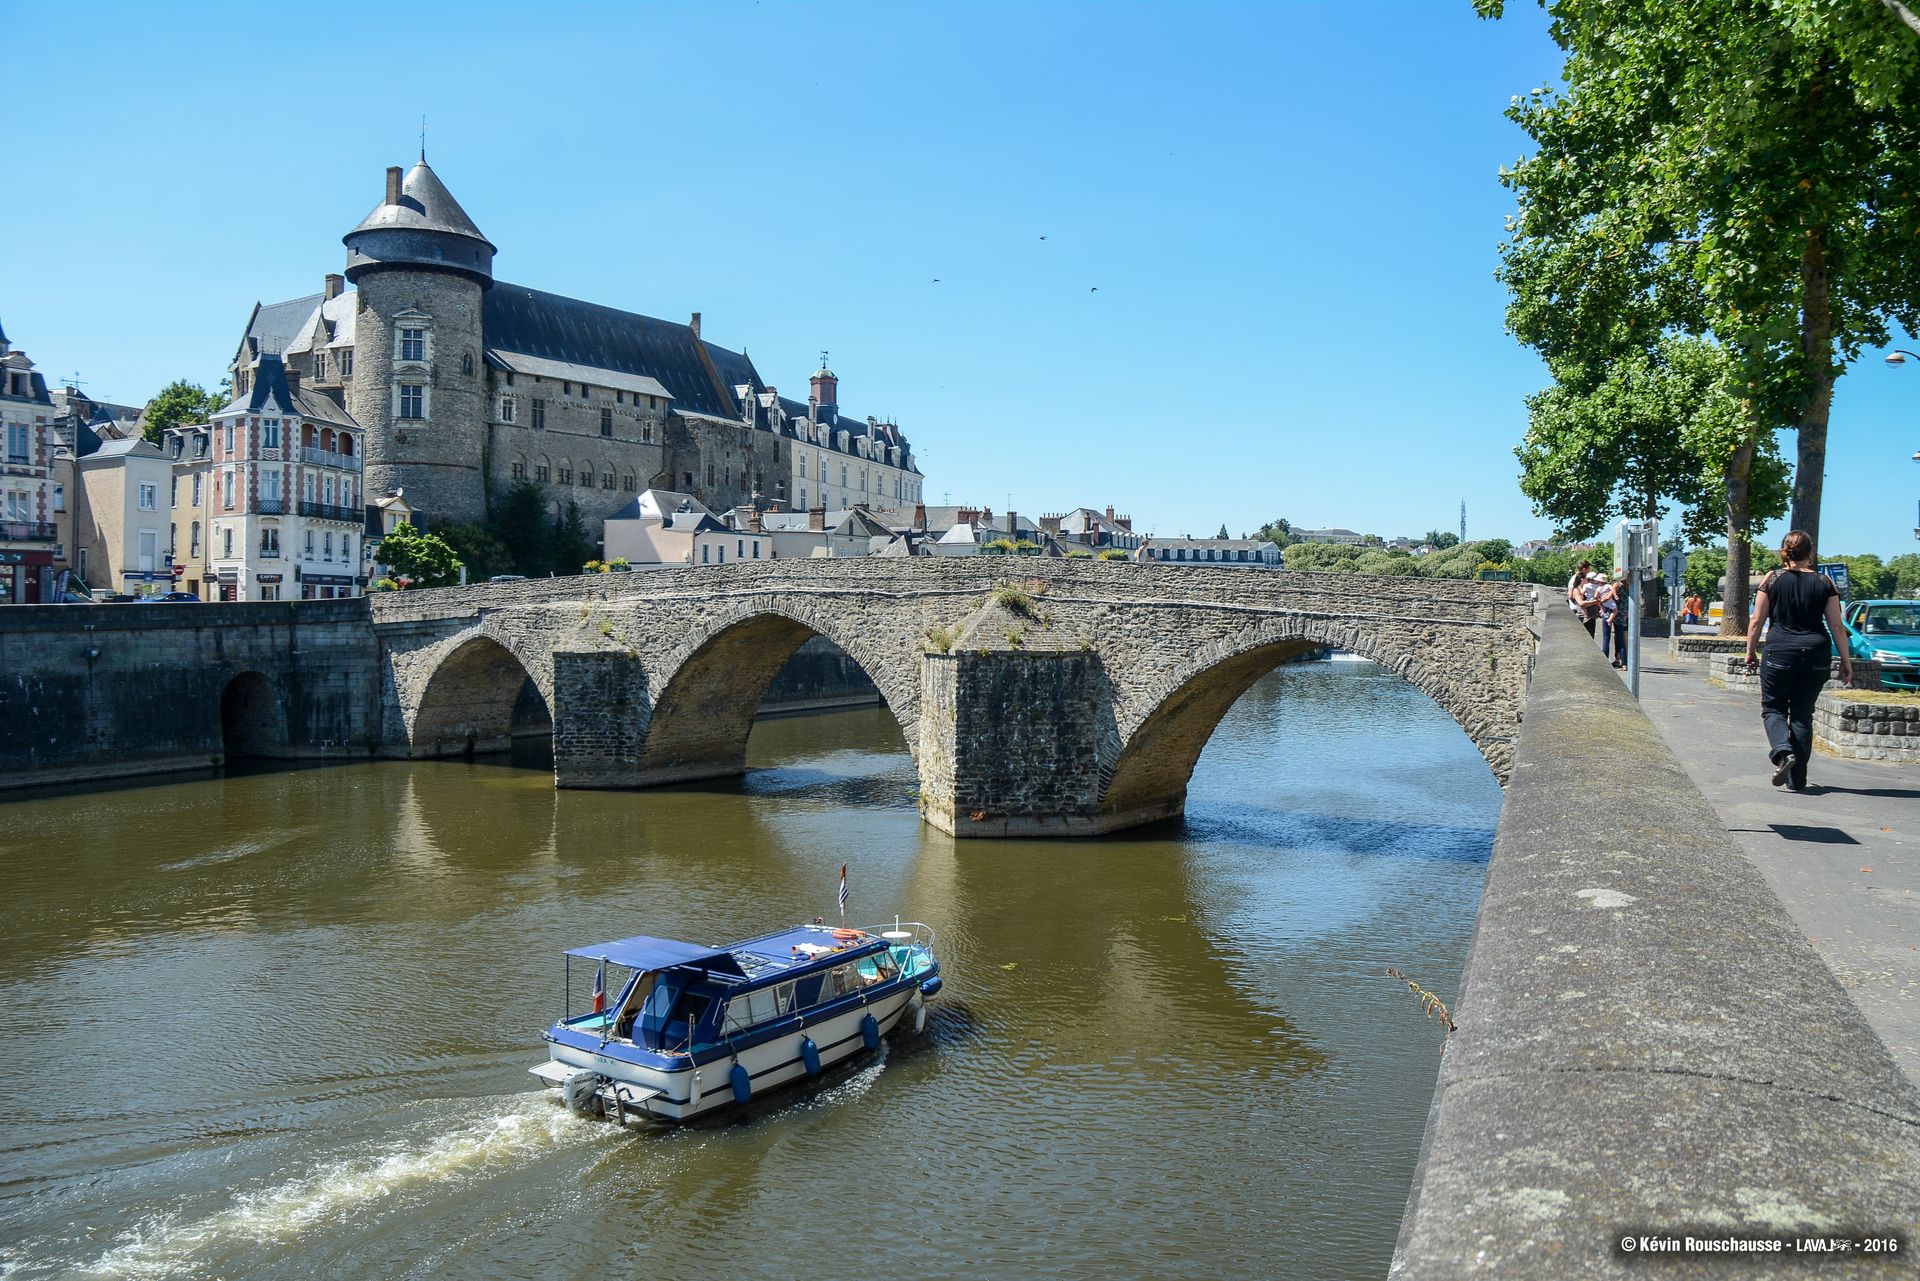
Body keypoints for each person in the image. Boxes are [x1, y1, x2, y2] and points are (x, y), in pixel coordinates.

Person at [1746, 530, 1852, 792]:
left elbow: (1757, 620)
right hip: (1816, 654)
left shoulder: (1772, 579)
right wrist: (1846, 661)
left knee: (1774, 709)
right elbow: (1837, 626)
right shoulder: (1825, 582)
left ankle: (1783, 753)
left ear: (1785, 551)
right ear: (1810, 553)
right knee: (1803, 715)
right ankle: (1798, 780)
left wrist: (1750, 652)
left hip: (1780, 652)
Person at [1606, 574, 1630, 668]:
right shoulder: (1628, 585)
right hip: (1625, 614)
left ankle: (1622, 662)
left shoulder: (1618, 584)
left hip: (1617, 615)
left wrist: (1600, 600)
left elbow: (1608, 597)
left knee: (1619, 639)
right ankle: (1621, 661)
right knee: (1622, 638)